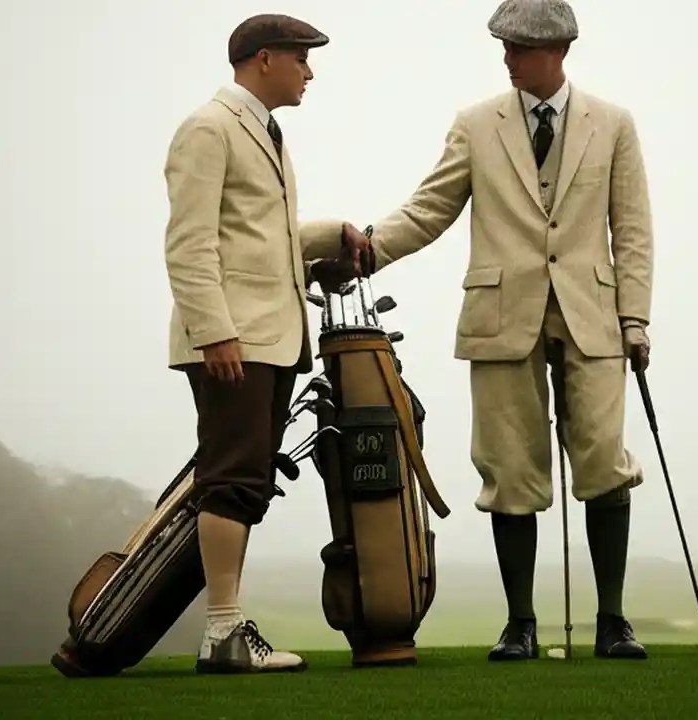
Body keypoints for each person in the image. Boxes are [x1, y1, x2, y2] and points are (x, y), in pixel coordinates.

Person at [363, 0, 654, 661]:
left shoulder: (613, 125)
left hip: (594, 317)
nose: (506, 58)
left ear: (558, 52)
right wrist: (366, 249)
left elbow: (631, 228)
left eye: (517, 47)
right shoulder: (476, 124)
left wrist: (634, 317)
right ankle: (519, 623)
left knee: (605, 460)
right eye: (504, 46)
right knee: (508, 467)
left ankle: (613, 620)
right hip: (501, 316)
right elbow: (430, 207)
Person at [163, 12, 371, 674]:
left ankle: (227, 625)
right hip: (235, 338)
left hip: (269, 338)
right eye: (301, 58)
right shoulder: (208, 127)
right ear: (263, 60)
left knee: (246, 480)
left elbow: (260, 234)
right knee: (231, 478)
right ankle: (222, 631)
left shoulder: (263, 131)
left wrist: (331, 231)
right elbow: (189, 240)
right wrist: (214, 330)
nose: (310, 72)